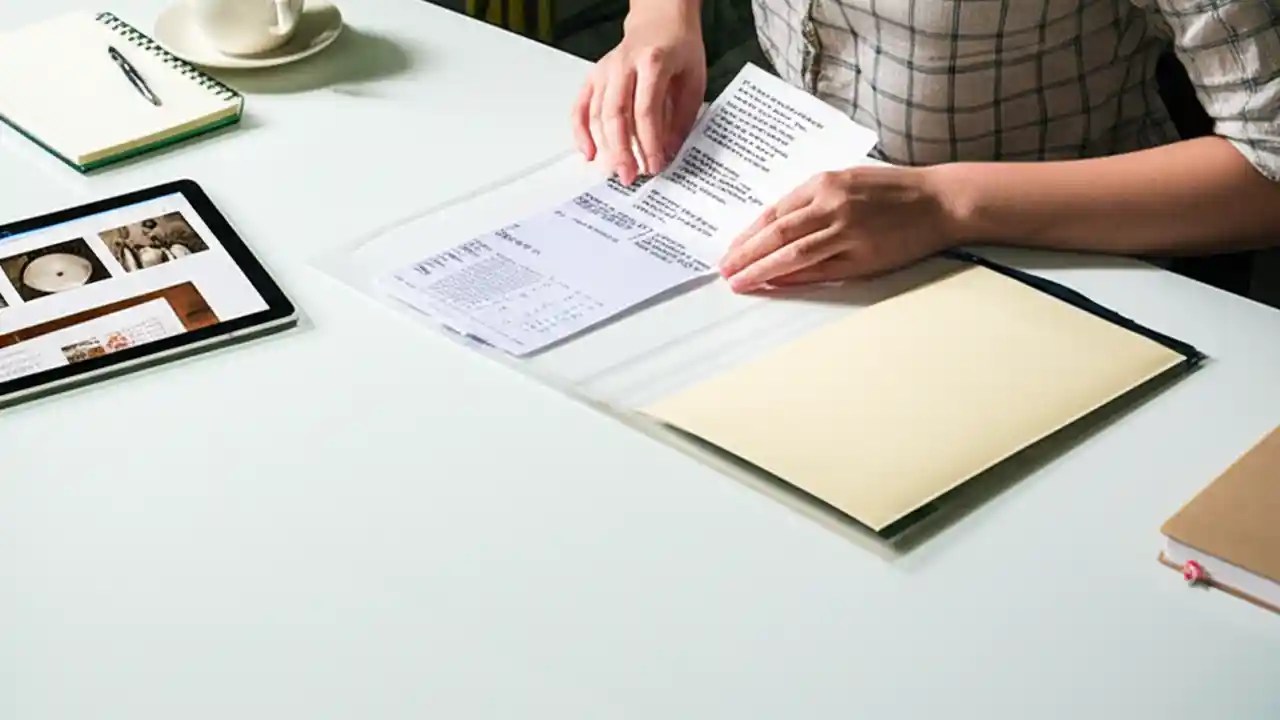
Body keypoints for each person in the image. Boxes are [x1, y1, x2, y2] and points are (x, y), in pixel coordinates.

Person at [569, 0, 1280, 293]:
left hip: (1052, 273)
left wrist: (945, 203)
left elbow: (1270, 161)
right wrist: (659, 17)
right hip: (789, 211)